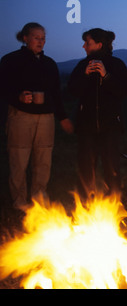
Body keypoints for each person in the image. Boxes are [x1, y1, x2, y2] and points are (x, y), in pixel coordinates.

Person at [0, 22, 74, 209]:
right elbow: (3, 88)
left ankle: (39, 199)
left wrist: (63, 117)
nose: (41, 41)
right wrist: (18, 97)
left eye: (43, 38)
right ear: (25, 38)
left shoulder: (49, 64)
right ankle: (19, 202)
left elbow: (56, 93)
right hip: (21, 116)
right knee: (19, 159)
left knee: (43, 161)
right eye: (36, 37)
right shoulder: (11, 60)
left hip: (46, 118)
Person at [68, 28, 127, 198]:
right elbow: (73, 91)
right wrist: (85, 75)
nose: (83, 46)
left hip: (110, 126)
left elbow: (123, 91)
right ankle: (85, 205)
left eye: (87, 43)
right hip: (86, 127)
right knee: (86, 169)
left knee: (112, 168)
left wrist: (106, 75)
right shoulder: (83, 65)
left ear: (99, 44)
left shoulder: (116, 65)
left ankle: (114, 205)